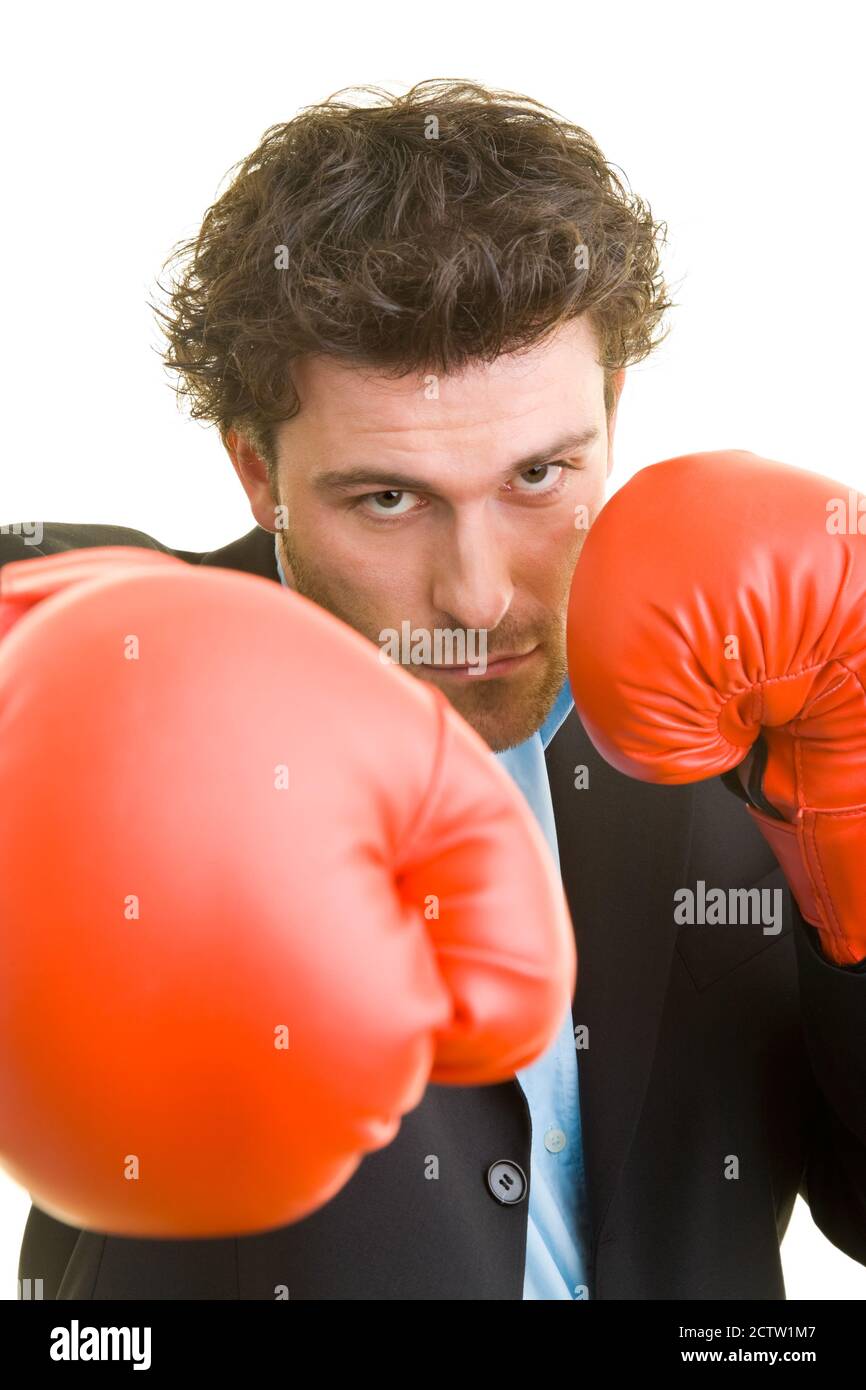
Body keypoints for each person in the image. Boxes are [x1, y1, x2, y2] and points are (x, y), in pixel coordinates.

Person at [4, 79, 865, 1300]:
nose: (474, 595)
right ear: (259, 473)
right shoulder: (132, 688)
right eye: (387, 499)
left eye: (535, 475)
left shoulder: (757, 704)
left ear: (610, 414)